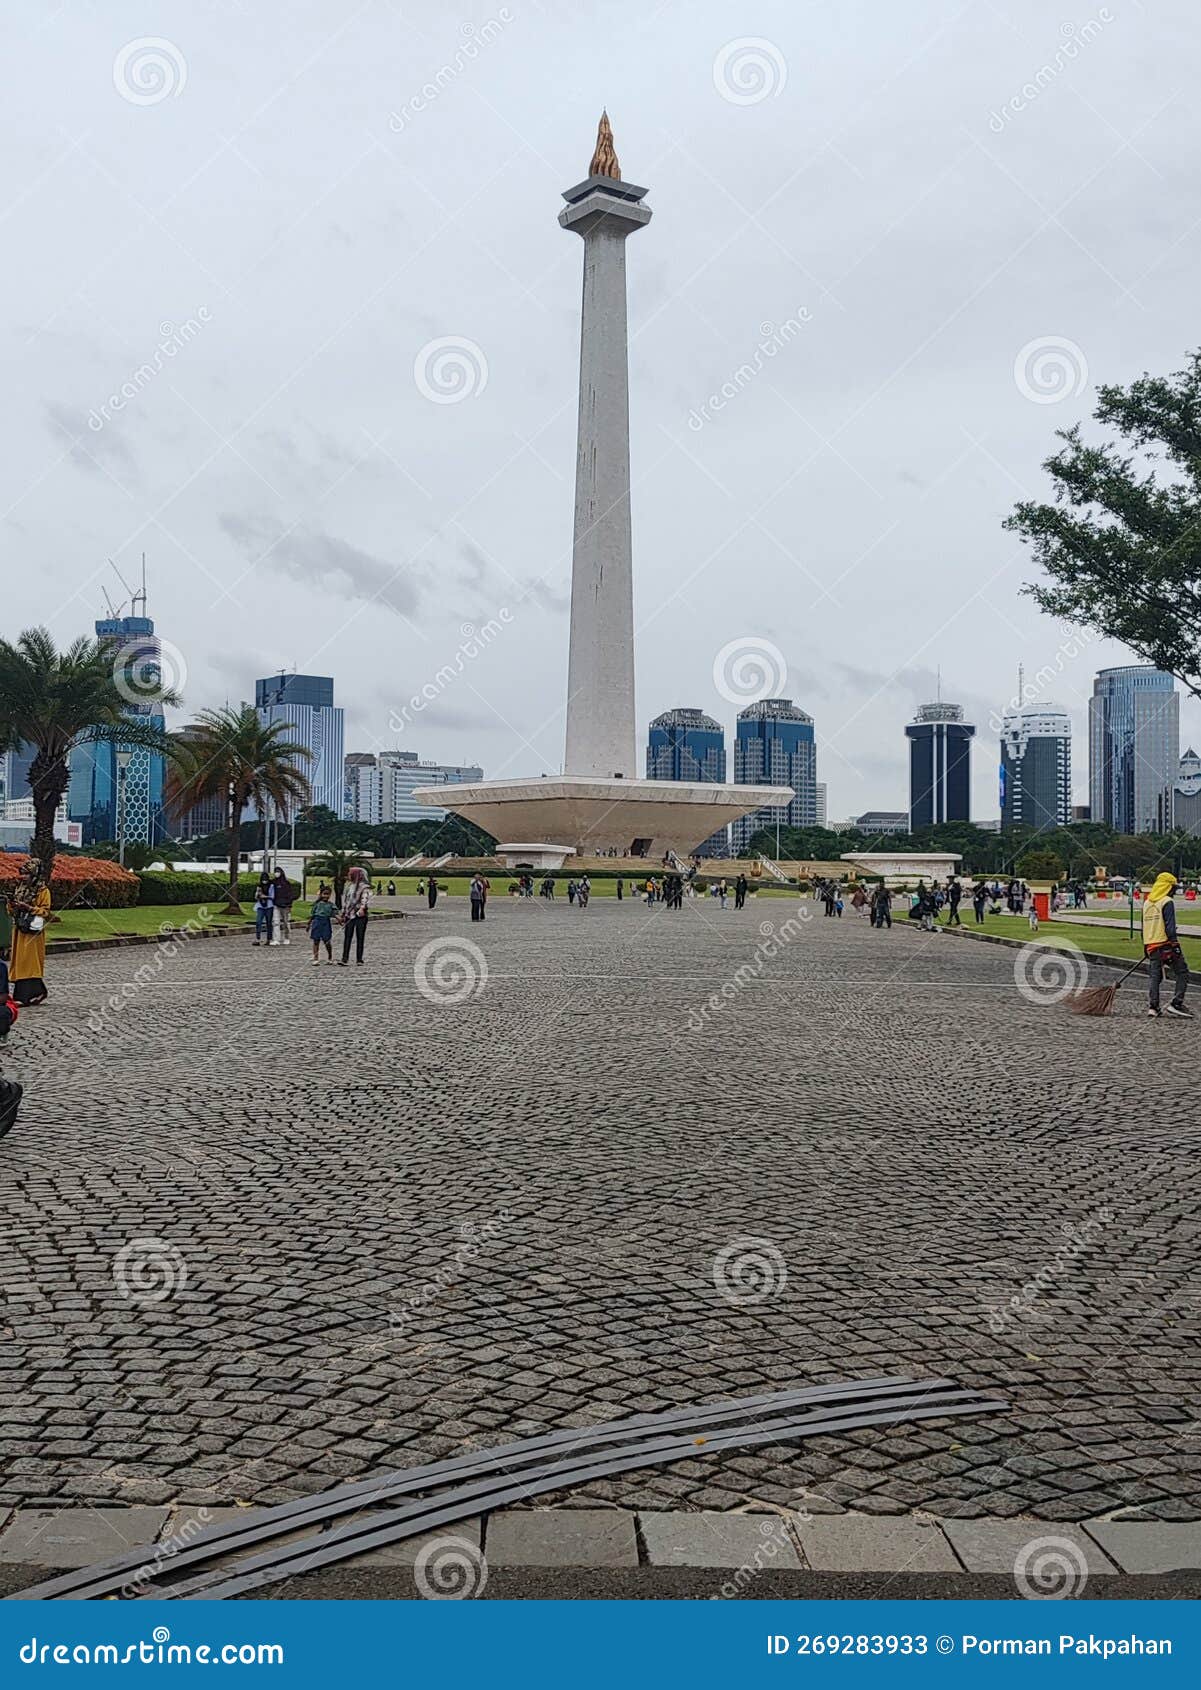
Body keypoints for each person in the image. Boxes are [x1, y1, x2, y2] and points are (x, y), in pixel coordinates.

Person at [1143, 871, 1191, 1019]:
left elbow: (1143, 927)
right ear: (1168, 887)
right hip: (1166, 945)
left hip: (1151, 945)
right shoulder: (1166, 902)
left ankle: (1153, 1007)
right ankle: (1176, 1003)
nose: (1174, 892)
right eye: (1173, 889)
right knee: (1182, 972)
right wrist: (1175, 945)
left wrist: (1145, 947)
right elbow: (1170, 927)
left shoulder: (1147, 903)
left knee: (1155, 977)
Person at [6, 860, 52, 1005]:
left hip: (33, 930)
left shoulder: (43, 891)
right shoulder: (20, 888)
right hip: (20, 929)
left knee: (30, 961)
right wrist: (12, 905)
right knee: (20, 961)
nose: (24, 877)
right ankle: (36, 992)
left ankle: (25, 996)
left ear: (34, 875)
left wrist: (29, 908)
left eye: (27, 874)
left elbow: (45, 911)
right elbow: (11, 911)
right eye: (23, 874)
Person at [338, 866, 370, 965]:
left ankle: (359, 959)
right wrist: (343, 913)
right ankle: (344, 958)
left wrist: (362, 908)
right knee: (347, 936)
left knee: (360, 937)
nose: (348, 875)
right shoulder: (349, 887)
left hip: (360, 916)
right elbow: (346, 901)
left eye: (350, 874)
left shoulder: (364, 887)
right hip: (349, 915)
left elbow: (365, 899)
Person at [308, 883, 337, 965]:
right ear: (321, 894)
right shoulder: (317, 904)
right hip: (317, 922)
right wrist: (308, 924)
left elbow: (335, 914)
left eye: (328, 894)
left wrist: (340, 920)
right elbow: (312, 915)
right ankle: (316, 958)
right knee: (316, 941)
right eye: (324, 894)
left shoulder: (331, 905)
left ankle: (330, 957)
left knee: (327, 941)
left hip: (326, 923)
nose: (326, 896)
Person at [271, 868, 295, 946]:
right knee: (276, 922)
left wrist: (289, 904)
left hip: (285, 906)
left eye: (278, 872)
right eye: (275, 872)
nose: (276, 873)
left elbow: (290, 894)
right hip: (276, 905)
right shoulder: (273, 882)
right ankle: (276, 939)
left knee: (285, 922)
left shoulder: (286, 883)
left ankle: (287, 938)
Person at [252, 874, 274, 945]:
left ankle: (269, 939)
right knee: (258, 922)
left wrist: (264, 896)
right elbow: (256, 897)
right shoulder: (259, 886)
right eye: (263, 880)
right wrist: (258, 894)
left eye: (265, 880)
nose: (264, 881)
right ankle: (258, 939)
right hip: (260, 906)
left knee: (269, 923)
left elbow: (272, 896)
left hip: (269, 906)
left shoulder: (271, 886)